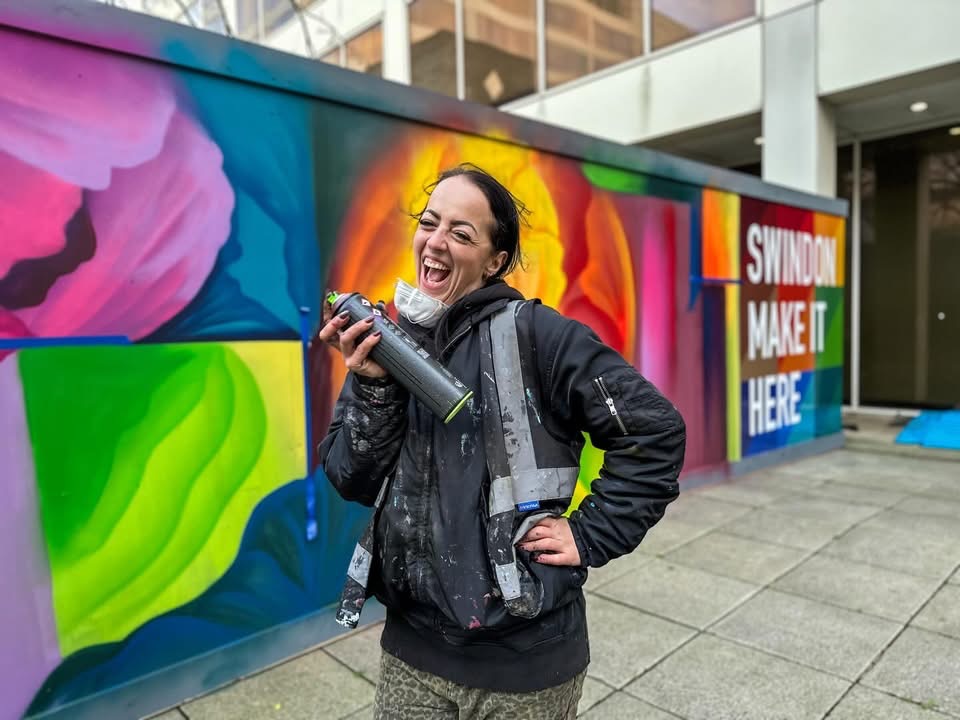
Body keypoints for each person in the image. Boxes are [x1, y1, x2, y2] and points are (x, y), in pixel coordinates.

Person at [316, 163, 685, 719]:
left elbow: (654, 430)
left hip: (526, 665)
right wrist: (372, 389)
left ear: (495, 260)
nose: (436, 242)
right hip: (413, 652)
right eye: (430, 223)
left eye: (461, 234)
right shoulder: (391, 341)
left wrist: (590, 533)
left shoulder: (540, 335)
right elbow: (350, 476)